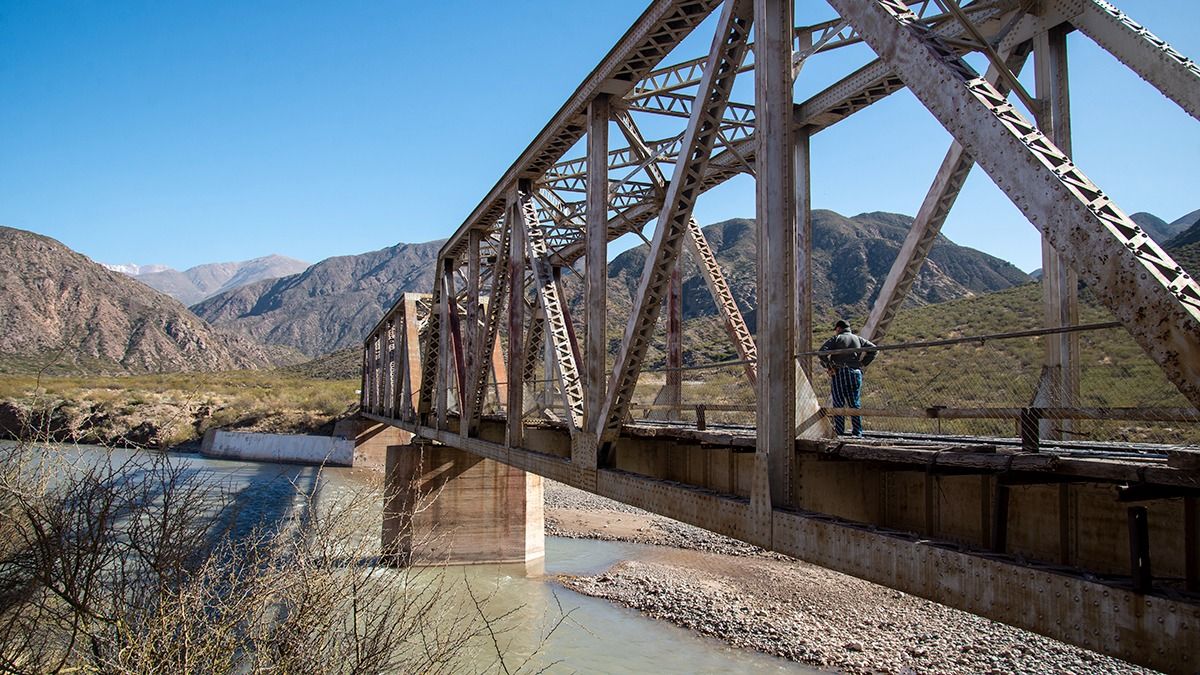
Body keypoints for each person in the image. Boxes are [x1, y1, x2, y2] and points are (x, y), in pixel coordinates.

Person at [818, 319, 877, 437]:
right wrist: (862, 363)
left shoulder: (837, 339)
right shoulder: (858, 339)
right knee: (854, 402)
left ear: (839, 328)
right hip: (855, 373)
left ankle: (839, 431)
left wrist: (829, 365)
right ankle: (857, 432)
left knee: (839, 401)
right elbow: (873, 349)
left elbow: (821, 352)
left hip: (840, 372)